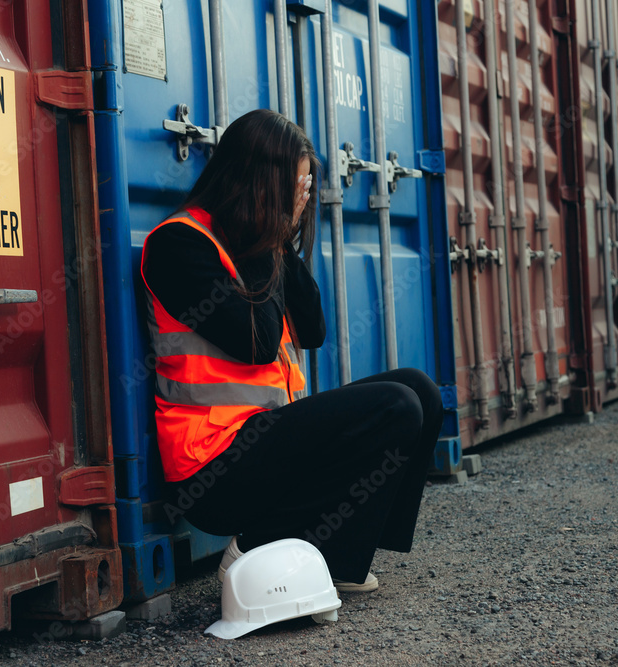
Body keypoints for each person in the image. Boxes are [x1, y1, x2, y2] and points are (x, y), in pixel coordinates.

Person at [141, 108, 443, 592]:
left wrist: (275, 237)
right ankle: (261, 542)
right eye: (295, 190)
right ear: (259, 184)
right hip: (211, 470)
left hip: (260, 444)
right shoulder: (180, 245)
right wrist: (269, 235)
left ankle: (341, 554)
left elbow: (313, 329)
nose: (300, 202)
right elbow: (257, 344)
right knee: (396, 406)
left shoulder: (254, 242)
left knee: (420, 391)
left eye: (301, 191)